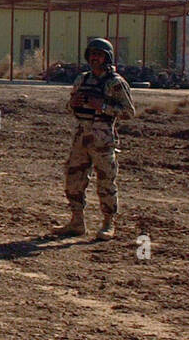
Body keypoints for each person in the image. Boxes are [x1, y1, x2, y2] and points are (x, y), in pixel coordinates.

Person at [53, 37, 135, 240]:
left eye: (99, 55)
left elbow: (129, 112)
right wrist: (74, 102)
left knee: (106, 182)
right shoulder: (82, 80)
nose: (95, 59)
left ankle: (108, 224)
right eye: (92, 55)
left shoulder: (116, 83)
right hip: (82, 136)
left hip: (103, 137)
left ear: (107, 57)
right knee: (74, 179)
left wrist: (104, 107)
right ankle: (76, 221)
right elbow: (68, 107)